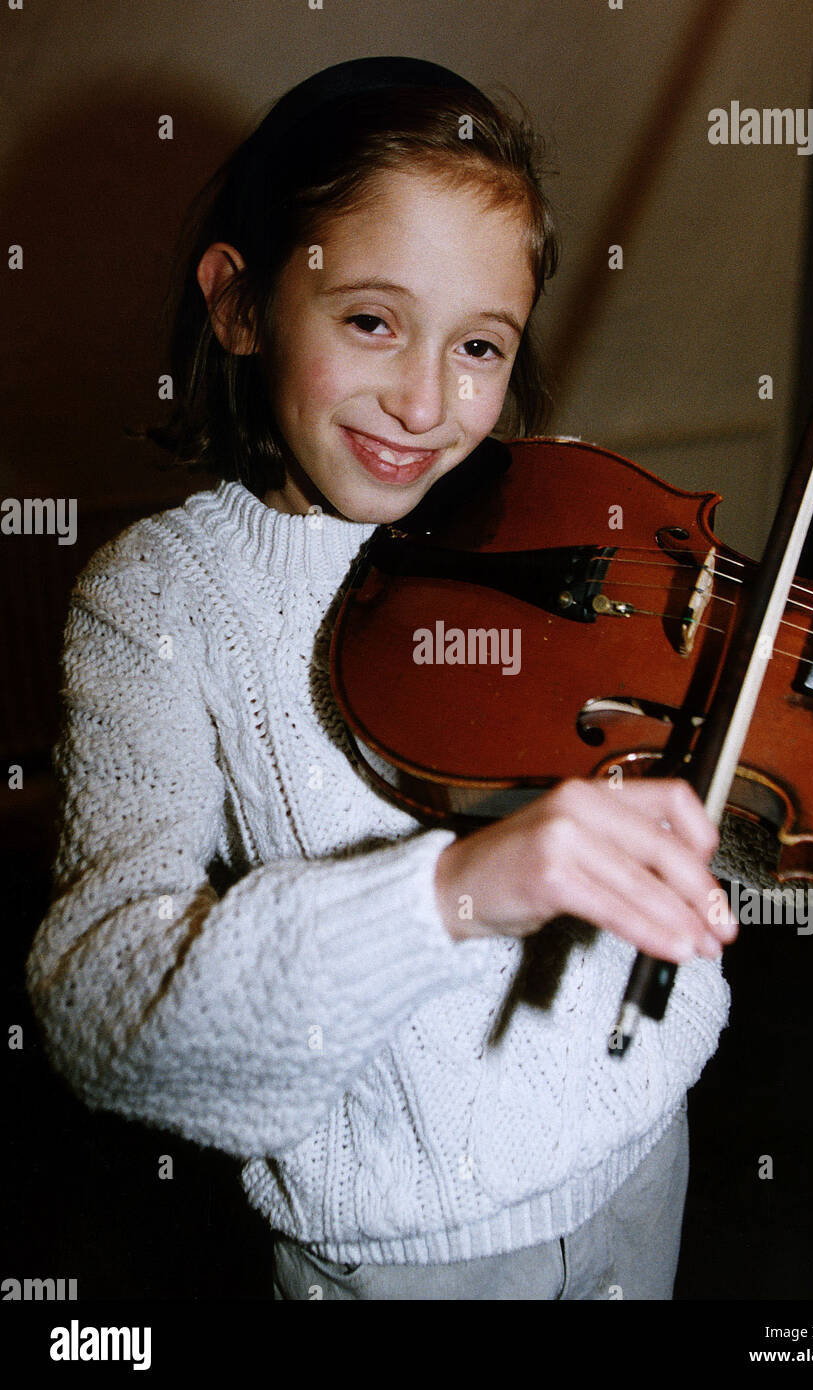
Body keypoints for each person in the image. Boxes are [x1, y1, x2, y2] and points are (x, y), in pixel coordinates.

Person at [26, 55, 739, 1301]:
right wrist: (452, 892)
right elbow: (97, 1005)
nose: (425, 401)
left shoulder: (557, 528)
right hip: (402, 1259)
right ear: (240, 306)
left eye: (479, 345)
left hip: (643, 1166)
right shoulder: (159, 604)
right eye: (369, 320)